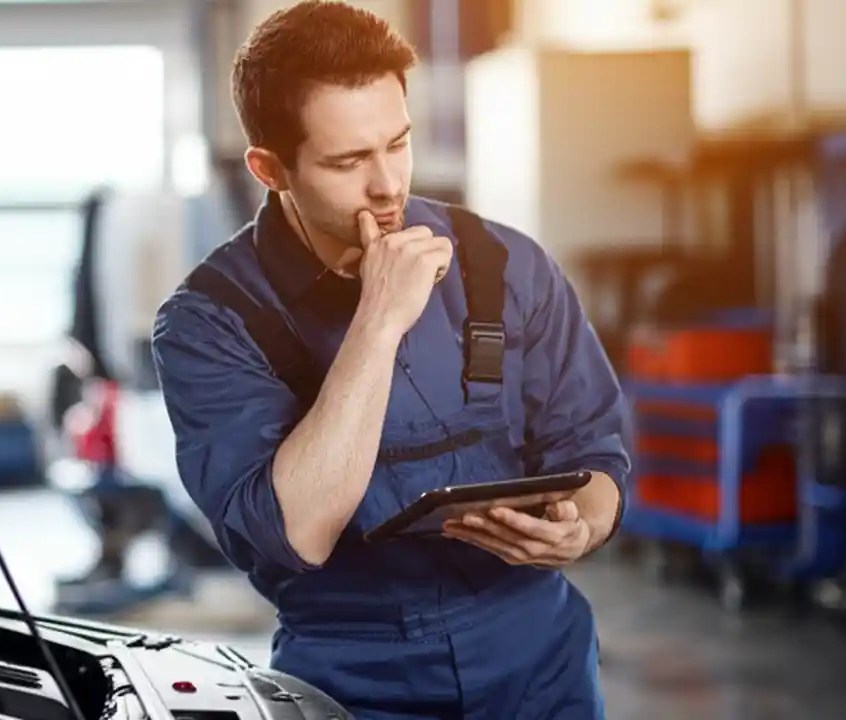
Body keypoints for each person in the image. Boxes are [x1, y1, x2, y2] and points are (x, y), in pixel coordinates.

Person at [150, 2, 629, 718]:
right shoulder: (209, 325)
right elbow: (298, 531)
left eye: (397, 144)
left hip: (539, 658)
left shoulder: (504, 265)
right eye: (347, 161)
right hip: (354, 678)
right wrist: (379, 319)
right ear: (270, 168)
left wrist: (580, 526)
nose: (387, 185)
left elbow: (596, 449)